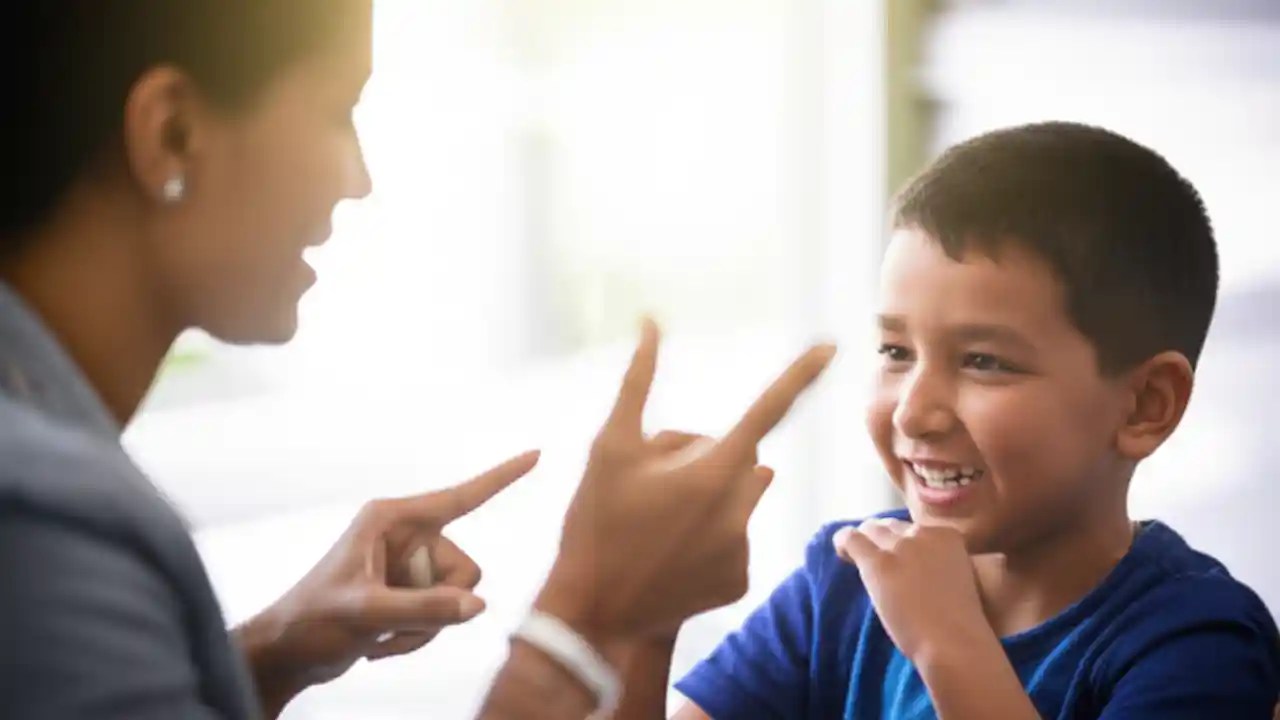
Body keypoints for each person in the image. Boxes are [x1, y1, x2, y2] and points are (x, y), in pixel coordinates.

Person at [0, 2, 835, 718]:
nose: (356, 178)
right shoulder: (43, 530)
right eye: (337, 111)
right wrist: (588, 615)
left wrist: (272, 651)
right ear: (172, 132)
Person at [610, 122, 1280, 719]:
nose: (914, 411)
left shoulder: (1197, 640)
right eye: (896, 352)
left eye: (984, 360)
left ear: (1145, 405)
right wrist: (648, 621)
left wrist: (947, 643)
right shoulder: (845, 583)